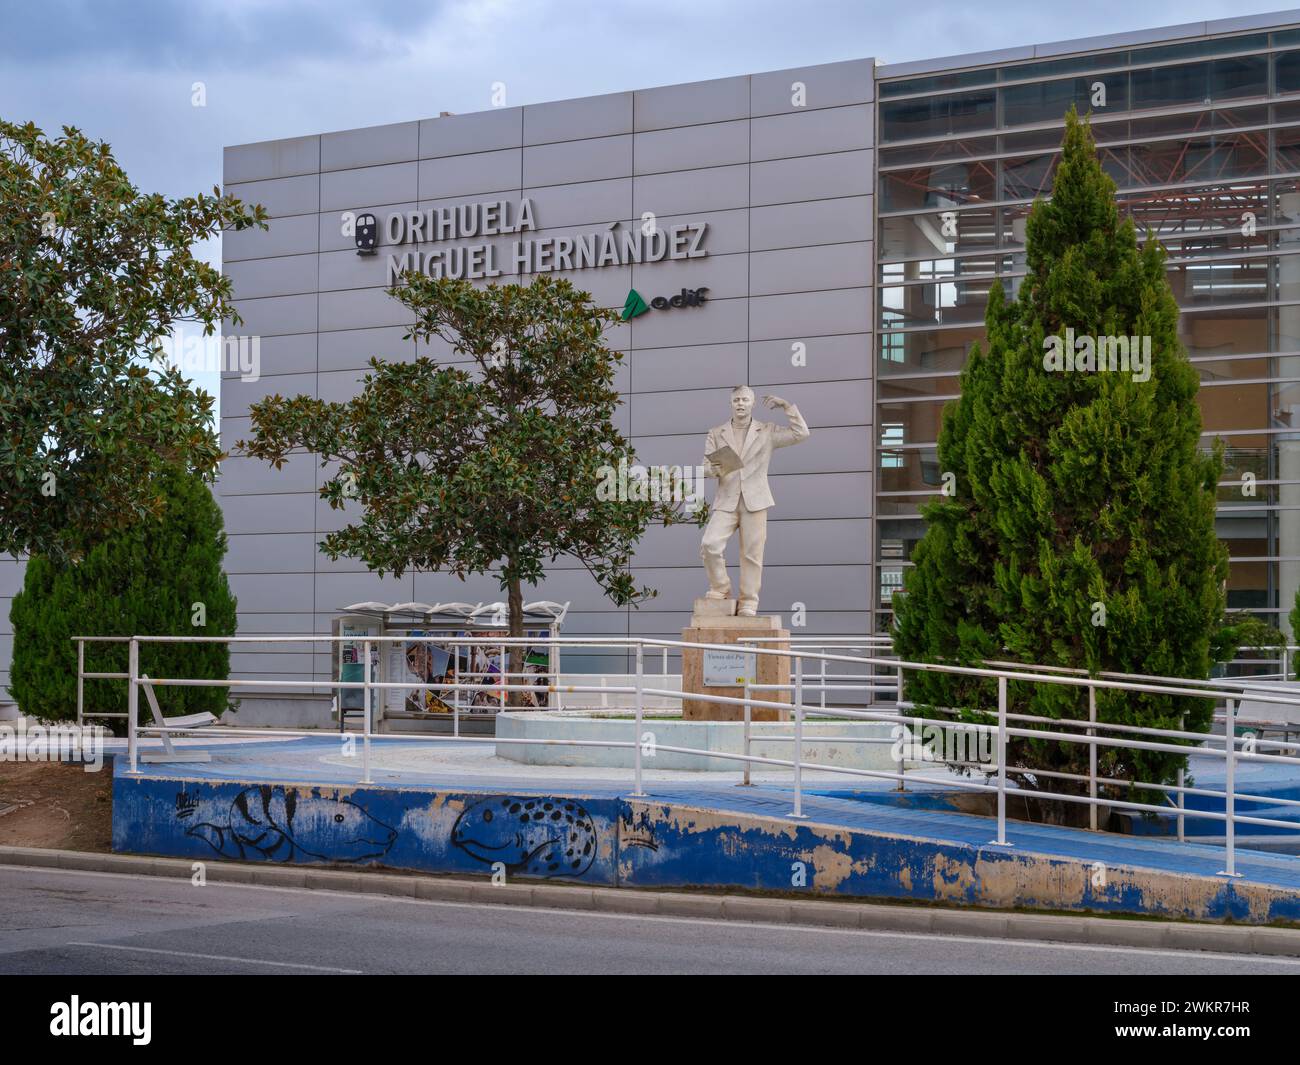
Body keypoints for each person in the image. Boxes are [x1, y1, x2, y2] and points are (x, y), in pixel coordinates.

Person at [699, 385, 810, 616]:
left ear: (752, 404)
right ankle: (720, 587)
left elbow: (801, 434)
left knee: (752, 554)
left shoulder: (767, 430)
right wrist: (715, 468)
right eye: (737, 399)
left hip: (756, 500)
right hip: (726, 500)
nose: (740, 403)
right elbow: (705, 468)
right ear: (731, 403)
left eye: (745, 400)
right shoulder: (716, 432)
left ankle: (749, 600)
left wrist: (787, 407)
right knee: (710, 545)